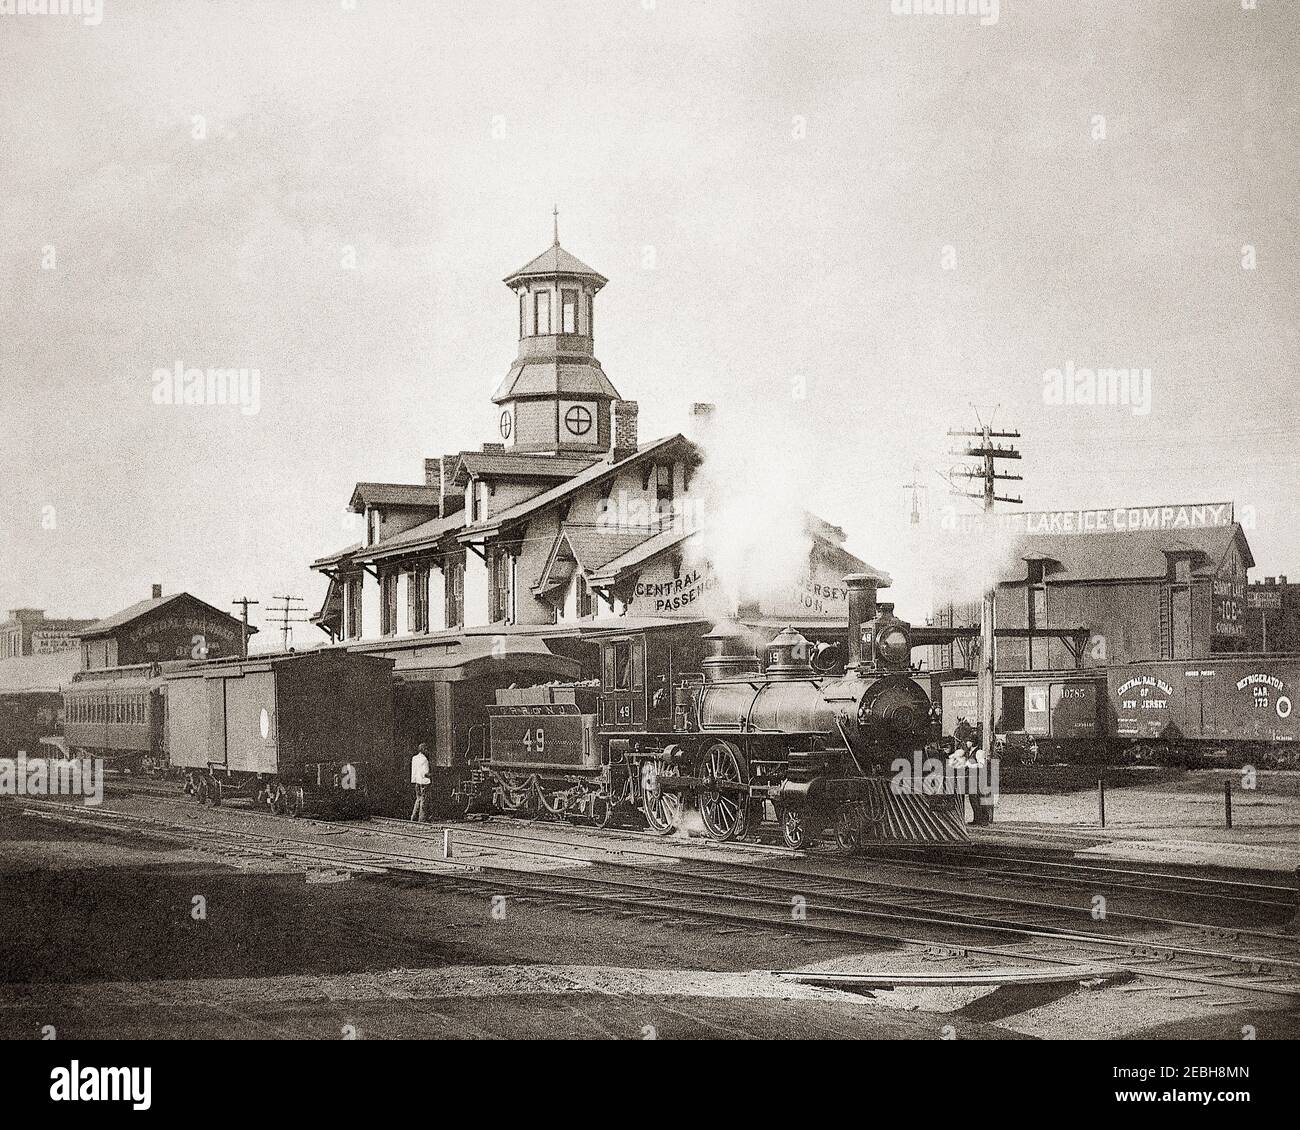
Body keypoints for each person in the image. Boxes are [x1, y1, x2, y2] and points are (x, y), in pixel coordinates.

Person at [410, 743, 432, 822]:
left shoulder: (414, 758)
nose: (427, 751)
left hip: (417, 782)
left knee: (418, 799)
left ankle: (413, 817)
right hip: (424, 782)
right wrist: (432, 775)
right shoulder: (424, 759)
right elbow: (425, 773)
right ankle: (422, 819)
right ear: (423, 750)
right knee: (424, 801)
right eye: (426, 749)